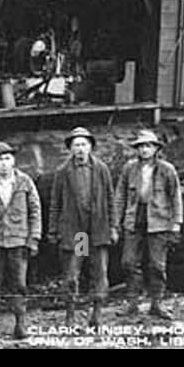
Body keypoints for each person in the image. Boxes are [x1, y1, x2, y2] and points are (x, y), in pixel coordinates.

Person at [48, 125, 116, 328]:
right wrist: (53, 230)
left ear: (90, 147)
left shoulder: (101, 169)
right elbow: (55, 203)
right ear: (70, 148)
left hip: (96, 229)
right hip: (77, 233)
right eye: (76, 145)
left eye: (84, 144)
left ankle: (97, 314)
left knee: (99, 273)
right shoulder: (63, 171)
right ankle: (70, 314)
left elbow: (111, 199)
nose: (80, 149)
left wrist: (113, 227)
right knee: (72, 275)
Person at [114, 129, 183, 322]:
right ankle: (132, 304)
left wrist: (176, 223)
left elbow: (175, 197)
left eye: (148, 146)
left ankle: (156, 304)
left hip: (159, 222)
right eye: (141, 146)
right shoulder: (130, 168)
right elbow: (120, 195)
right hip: (134, 219)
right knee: (128, 263)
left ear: (155, 148)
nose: (144, 150)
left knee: (157, 265)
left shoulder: (167, 169)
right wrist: (116, 222)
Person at [0, 140, 41, 339]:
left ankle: (20, 323)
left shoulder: (25, 182)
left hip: (18, 242)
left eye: (7, 159)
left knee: (19, 284)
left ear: (13, 161)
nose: (3, 163)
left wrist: (34, 238)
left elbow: (35, 211)